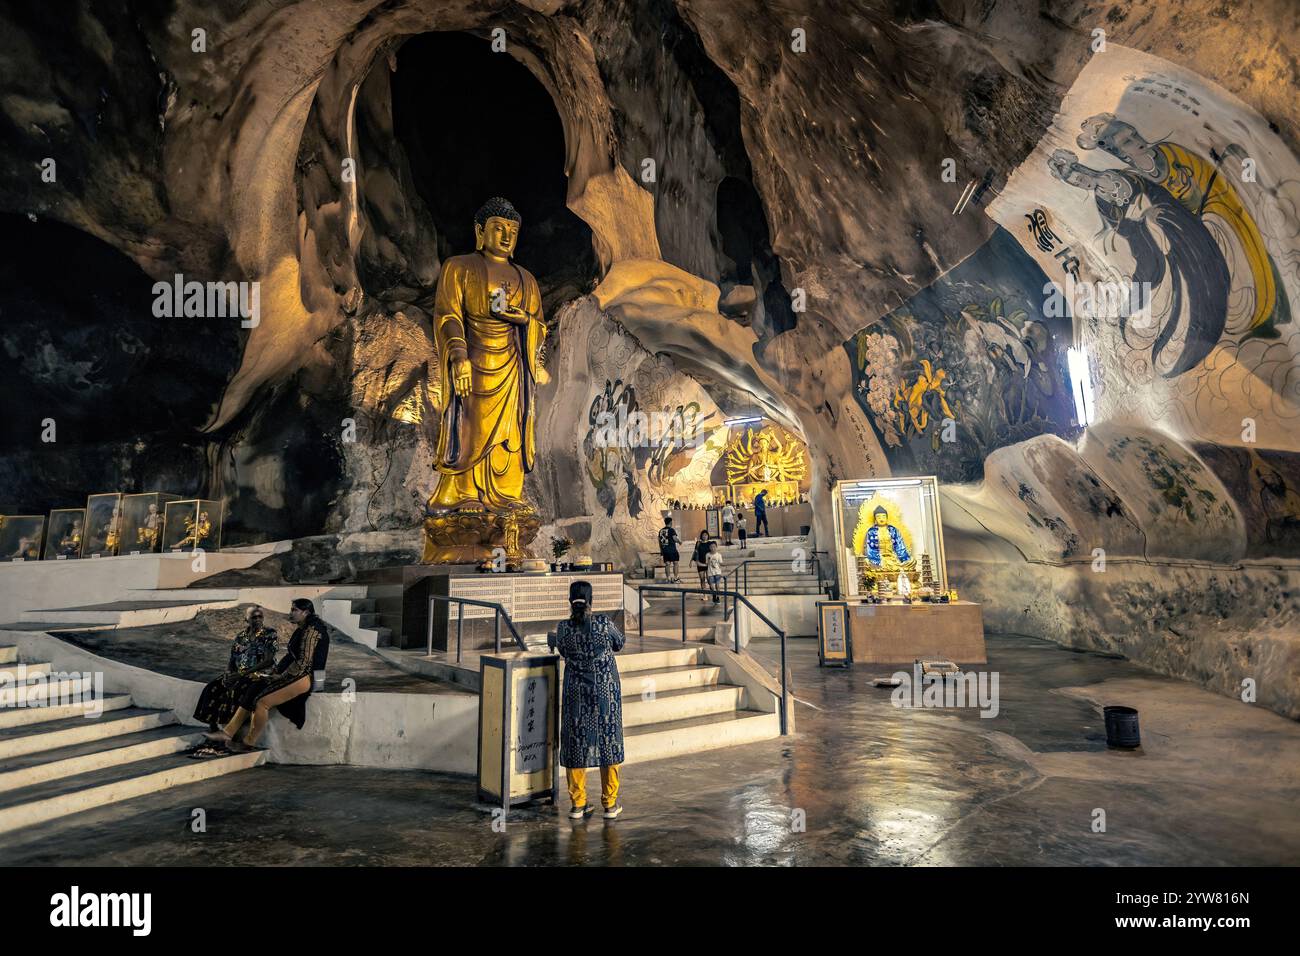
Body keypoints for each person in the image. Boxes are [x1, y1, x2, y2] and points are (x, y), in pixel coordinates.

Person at [205, 598, 330, 752]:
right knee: (255, 686)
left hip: (305, 677)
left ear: (306, 612)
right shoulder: (302, 628)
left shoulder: (312, 631)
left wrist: (282, 676)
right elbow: (290, 655)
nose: (291, 613)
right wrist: (275, 672)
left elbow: (303, 662)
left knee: (261, 702)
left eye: (294, 610)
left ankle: (248, 743)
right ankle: (227, 733)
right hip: (296, 673)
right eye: (291, 609)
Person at [549, 581, 625, 821]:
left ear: (570, 600)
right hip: (605, 692)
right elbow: (619, 643)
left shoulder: (564, 628)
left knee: (575, 742)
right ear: (591, 599)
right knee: (609, 739)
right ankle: (610, 804)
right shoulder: (603, 623)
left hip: (576, 692)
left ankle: (578, 804)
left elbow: (561, 649)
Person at [193, 606, 278, 730]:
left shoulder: (269, 634)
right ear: (246, 619)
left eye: (260, 617)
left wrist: (241, 674)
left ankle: (232, 730)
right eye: (254, 617)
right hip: (240, 673)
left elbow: (268, 661)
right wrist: (228, 673)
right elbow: (233, 658)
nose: (258, 620)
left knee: (236, 690)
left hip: (260, 674)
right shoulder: (240, 637)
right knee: (212, 687)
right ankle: (213, 726)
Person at [657, 516, 681, 583]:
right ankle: (675, 578)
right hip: (672, 550)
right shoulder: (671, 530)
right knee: (675, 563)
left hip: (665, 550)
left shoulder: (661, 531)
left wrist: (661, 550)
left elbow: (659, 541)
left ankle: (668, 578)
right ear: (670, 522)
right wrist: (679, 542)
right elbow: (675, 538)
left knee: (667, 564)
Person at [691, 529, 713, 600]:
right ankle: (705, 595)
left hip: (708, 564)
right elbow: (695, 552)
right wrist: (691, 560)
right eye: (703, 535)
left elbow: (713, 553)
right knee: (702, 579)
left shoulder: (710, 543)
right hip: (700, 563)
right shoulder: (698, 543)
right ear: (701, 536)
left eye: (706, 535)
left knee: (709, 579)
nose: (704, 536)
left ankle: (714, 594)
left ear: (708, 536)